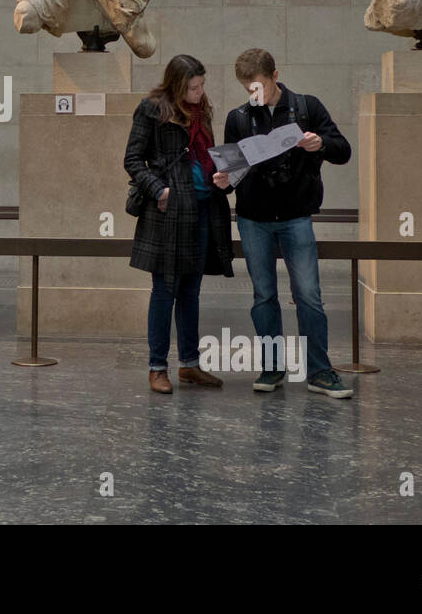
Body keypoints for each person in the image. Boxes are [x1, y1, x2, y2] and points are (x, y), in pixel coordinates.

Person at [212, 49, 352, 398]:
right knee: (264, 296)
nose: (254, 95)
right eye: (248, 89)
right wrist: (226, 181)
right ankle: (272, 368)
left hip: (295, 217)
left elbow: (343, 149)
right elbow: (233, 167)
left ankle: (319, 371)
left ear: (276, 75)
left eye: (258, 86)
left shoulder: (307, 107)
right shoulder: (239, 118)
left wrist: (319, 144)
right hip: (253, 218)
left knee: (308, 295)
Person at [125, 54, 235, 393]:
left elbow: (208, 154)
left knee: (191, 290)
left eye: (202, 85)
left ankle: (189, 365)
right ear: (176, 85)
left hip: (204, 207)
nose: (199, 92)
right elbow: (132, 159)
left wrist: (225, 177)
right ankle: (157, 367)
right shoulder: (151, 108)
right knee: (165, 290)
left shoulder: (203, 109)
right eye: (192, 87)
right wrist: (159, 188)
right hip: (169, 210)